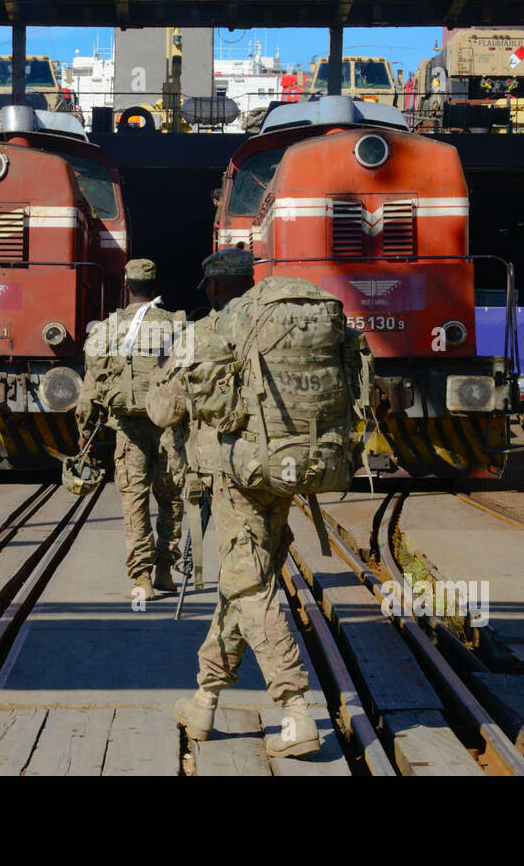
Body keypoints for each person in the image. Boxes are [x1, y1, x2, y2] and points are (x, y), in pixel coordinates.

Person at [148, 247, 322, 758]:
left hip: (233, 476)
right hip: (281, 471)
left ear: (216, 288)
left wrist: (164, 372)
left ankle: (296, 711)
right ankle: (205, 699)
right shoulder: (279, 325)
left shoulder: (209, 331)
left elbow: (163, 411)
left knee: (247, 582)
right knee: (243, 576)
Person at [77, 258, 186, 601]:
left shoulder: (107, 328)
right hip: (168, 425)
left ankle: (143, 580)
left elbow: (91, 389)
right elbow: (193, 378)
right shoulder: (177, 324)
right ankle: (166, 571)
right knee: (170, 498)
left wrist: (84, 430)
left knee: (134, 500)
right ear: (155, 288)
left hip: (129, 427)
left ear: (127, 287)